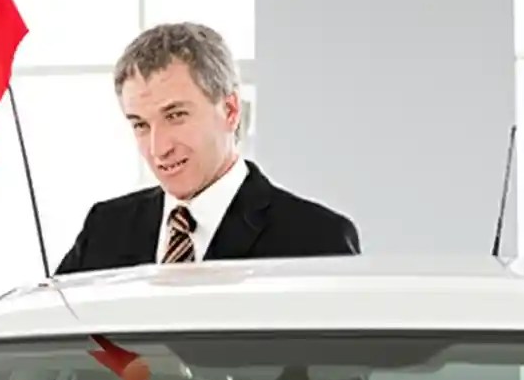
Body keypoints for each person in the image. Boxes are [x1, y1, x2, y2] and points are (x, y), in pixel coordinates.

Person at [56, 22, 360, 274]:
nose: (158, 148)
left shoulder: (318, 241)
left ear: (230, 110)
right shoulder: (105, 229)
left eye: (175, 116)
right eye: (140, 124)